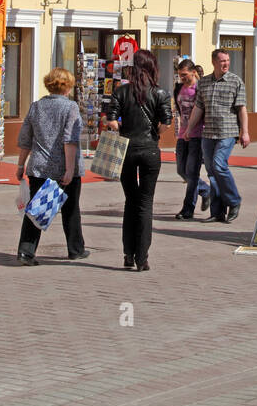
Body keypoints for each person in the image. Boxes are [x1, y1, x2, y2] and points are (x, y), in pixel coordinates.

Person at [106, 49, 173, 270]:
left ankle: (128, 253)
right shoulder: (161, 93)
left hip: (126, 149)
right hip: (150, 151)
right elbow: (166, 123)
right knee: (145, 204)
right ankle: (142, 258)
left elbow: (112, 122)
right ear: (153, 67)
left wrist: (124, 128)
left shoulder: (121, 91)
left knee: (130, 202)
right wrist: (155, 131)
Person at [15, 67, 89, 266]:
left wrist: (20, 164)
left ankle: (26, 251)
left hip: (39, 167)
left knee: (36, 210)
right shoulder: (70, 107)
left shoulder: (36, 106)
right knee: (71, 209)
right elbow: (70, 139)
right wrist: (70, 169)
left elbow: (25, 139)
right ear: (67, 87)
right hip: (64, 167)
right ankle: (75, 249)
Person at [182, 48, 249, 223]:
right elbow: (198, 108)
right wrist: (189, 129)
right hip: (208, 133)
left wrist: (245, 132)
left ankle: (234, 201)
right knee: (212, 173)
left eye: (227, 60)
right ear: (214, 62)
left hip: (227, 132)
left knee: (219, 166)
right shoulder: (203, 83)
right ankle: (217, 212)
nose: (226, 63)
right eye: (222, 61)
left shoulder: (236, 82)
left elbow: (242, 109)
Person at [172, 60, 211, 219]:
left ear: (193, 72)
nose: (182, 78)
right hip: (183, 134)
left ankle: (188, 210)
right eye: (180, 75)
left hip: (198, 135)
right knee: (181, 170)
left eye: (185, 75)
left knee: (192, 172)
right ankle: (206, 191)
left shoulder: (201, 89)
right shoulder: (179, 88)